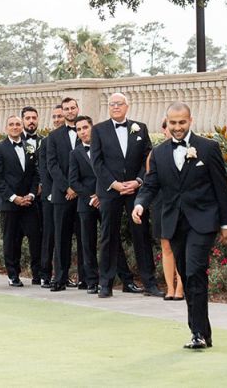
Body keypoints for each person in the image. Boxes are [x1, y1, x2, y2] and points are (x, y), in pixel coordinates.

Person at [134, 101, 227, 350]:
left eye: (182, 122)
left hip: (203, 221)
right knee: (188, 277)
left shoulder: (208, 148)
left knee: (193, 272)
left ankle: (197, 333)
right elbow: (150, 184)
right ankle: (202, 331)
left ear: (190, 121)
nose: (177, 127)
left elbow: (221, 188)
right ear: (166, 123)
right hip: (173, 223)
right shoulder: (159, 153)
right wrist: (140, 204)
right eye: (173, 123)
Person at [91, 91, 162, 298]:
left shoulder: (140, 128)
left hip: (135, 191)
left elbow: (147, 158)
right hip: (110, 191)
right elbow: (96, 162)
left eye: (119, 104)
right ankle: (106, 283)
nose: (115, 107)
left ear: (127, 106)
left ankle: (150, 283)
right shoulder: (99, 130)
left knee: (141, 235)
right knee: (108, 236)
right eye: (112, 104)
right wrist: (114, 184)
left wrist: (139, 181)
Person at [0, 114, 41, 287]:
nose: (15, 127)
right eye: (11, 124)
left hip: (29, 203)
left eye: (18, 124)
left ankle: (37, 275)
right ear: (6, 128)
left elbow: (35, 175)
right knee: (12, 241)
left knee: (36, 238)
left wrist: (31, 195)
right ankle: (13, 275)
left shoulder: (29, 147)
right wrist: (14, 198)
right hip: (10, 204)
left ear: (22, 127)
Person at [39, 96, 79, 291]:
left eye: (73, 107)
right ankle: (60, 278)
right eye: (66, 108)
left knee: (84, 238)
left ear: (77, 109)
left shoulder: (89, 131)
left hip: (83, 195)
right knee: (60, 238)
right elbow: (52, 166)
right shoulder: (52, 138)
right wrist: (67, 187)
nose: (70, 111)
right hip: (61, 194)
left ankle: (88, 279)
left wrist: (78, 189)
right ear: (62, 112)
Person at [150, 119, 185, 302]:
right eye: (169, 127)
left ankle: (181, 287)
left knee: (180, 245)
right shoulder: (157, 153)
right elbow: (151, 182)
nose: (173, 130)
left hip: (181, 203)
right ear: (164, 130)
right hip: (161, 203)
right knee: (166, 246)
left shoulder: (190, 148)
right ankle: (170, 288)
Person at [66, 114, 102, 293]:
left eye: (85, 128)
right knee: (87, 244)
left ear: (92, 127)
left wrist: (101, 195)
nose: (82, 132)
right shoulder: (75, 153)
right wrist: (91, 197)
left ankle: (121, 279)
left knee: (111, 241)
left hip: (105, 201)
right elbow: (74, 181)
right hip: (85, 204)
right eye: (78, 129)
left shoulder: (105, 148)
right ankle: (92, 281)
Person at [20, 106, 44, 284]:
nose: (31, 121)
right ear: (22, 121)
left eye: (34, 118)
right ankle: (16, 273)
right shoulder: (16, 141)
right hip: (24, 198)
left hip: (45, 197)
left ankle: (40, 274)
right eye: (27, 118)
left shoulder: (45, 141)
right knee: (25, 237)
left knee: (41, 237)